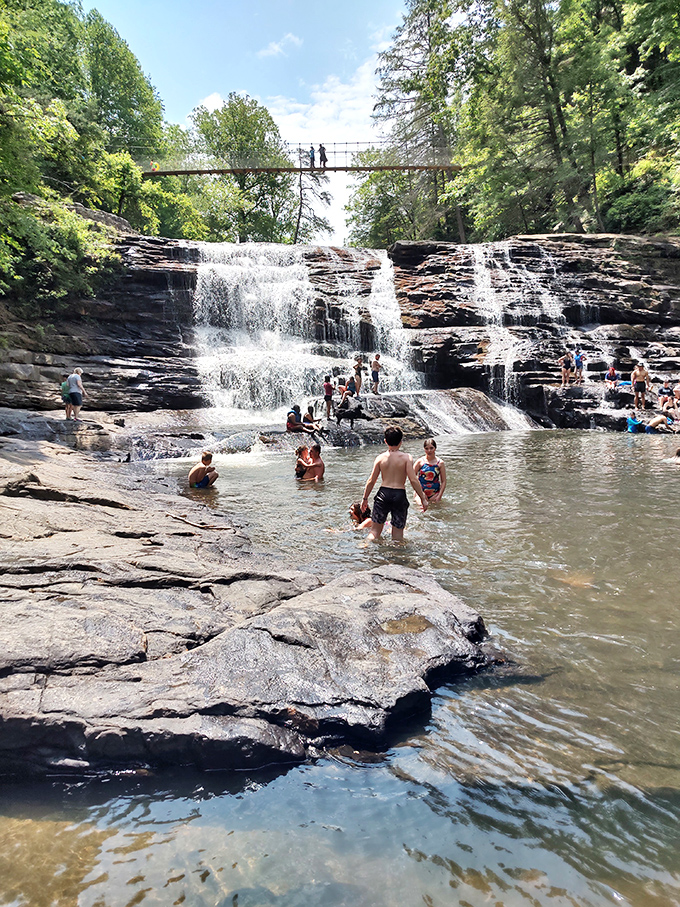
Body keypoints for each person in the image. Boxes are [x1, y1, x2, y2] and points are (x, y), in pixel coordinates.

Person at [361, 424, 428, 542]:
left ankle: (364, 547)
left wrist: (365, 498)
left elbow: (371, 480)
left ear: (385, 441)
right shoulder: (407, 458)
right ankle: (396, 558)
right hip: (399, 495)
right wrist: (422, 498)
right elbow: (413, 479)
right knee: (397, 537)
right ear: (401, 441)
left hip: (383, 494)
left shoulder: (380, 458)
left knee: (374, 532)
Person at [413, 438, 447, 503]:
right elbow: (412, 478)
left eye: (431, 448)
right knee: (421, 508)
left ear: (435, 448)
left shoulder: (440, 463)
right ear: (424, 449)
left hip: (435, 493)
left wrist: (439, 496)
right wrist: (420, 492)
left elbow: (444, 481)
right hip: (420, 492)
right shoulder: (420, 462)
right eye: (426, 448)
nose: (429, 450)